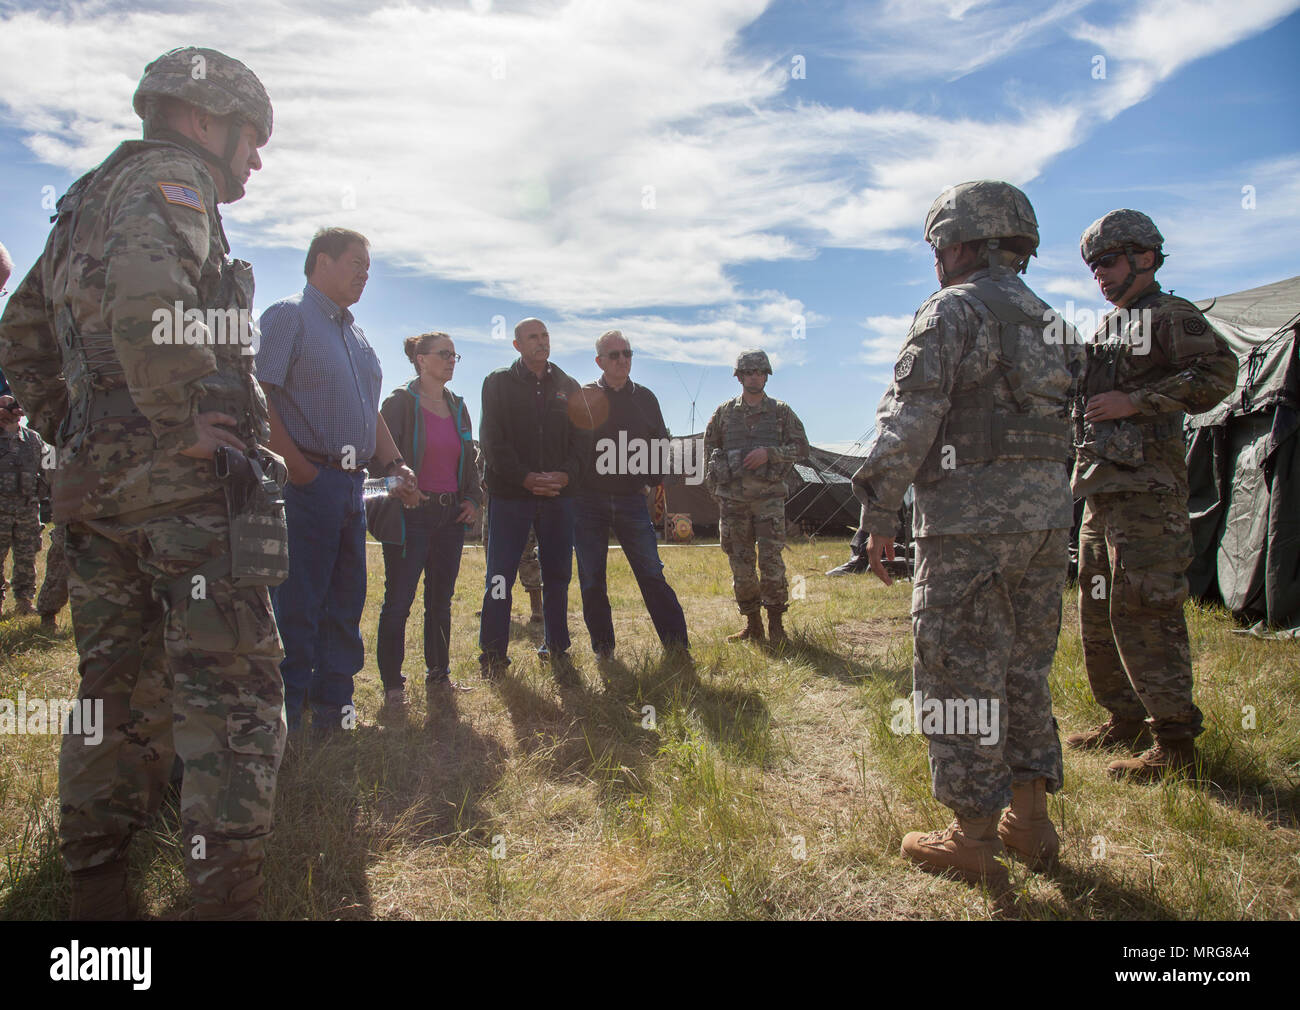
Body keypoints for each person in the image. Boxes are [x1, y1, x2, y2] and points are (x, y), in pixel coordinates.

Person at [0, 47, 286, 920]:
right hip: (184, 498)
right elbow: (148, 298)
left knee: (112, 694)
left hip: (100, 498)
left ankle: (96, 889)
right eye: (252, 137)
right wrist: (175, 421)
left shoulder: (80, 205)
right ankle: (223, 901)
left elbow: (20, 338)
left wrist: (78, 436)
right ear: (203, 119)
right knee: (231, 694)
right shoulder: (175, 180)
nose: (257, 159)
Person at [854, 180, 1082, 889]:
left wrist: (878, 511)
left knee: (959, 673)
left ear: (965, 244)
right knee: (1023, 669)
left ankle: (972, 838)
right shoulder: (1055, 322)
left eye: (939, 246)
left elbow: (910, 420)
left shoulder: (951, 311)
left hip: (968, 530)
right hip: (1046, 528)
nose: (935, 261)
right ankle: (1031, 824)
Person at [1068, 210, 1237, 780]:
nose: (1101, 278)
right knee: (1098, 609)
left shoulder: (1172, 316)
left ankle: (1177, 745)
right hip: (1103, 491)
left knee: (1146, 608)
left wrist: (1138, 402)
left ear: (1144, 257)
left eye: (1108, 263)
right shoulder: (1108, 327)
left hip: (1147, 492)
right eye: (1094, 269)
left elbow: (1218, 375)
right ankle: (1125, 718)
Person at [257, 228, 417, 734]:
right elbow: (259, 393)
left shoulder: (358, 336)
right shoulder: (289, 316)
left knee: (345, 602)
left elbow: (369, 412)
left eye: (368, 267)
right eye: (355, 262)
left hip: (353, 488)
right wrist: (297, 467)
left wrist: (394, 465)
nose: (364, 273)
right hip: (305, 482)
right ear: (320, 261)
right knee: (300, 603)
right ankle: (290, 714)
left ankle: (335, 709)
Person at [372, 332, 481, 709]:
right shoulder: (400, 403)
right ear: (420, 359)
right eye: (444, 354)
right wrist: (401, 488)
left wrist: (471, 499)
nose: (452, 360)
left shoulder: (459, 405)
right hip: (410, 515)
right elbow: (377, 460)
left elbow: (469, 460)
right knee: (398, 602)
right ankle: (392, 686)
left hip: (450, 518)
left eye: (455, 355)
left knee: (441, 601)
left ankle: (439, 675)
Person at [477, 318, 590, 676]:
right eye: (532, 337)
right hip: (511, 496)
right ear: (517, 345)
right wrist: (525, 478)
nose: (541, 342)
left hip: (559, 496)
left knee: (557, 573)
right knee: (500, 576)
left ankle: (557, 646)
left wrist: (566, 474)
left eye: (545, 336)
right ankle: (493, 655)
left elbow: (582, 439)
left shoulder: (568, 385)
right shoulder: (498, 383)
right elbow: (492, 441)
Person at [572, 329, 689, 658]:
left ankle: (677, 646)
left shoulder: (646, 398)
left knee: (651, 572)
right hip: (587, 502)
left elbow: (660, 442)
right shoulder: (582, 396)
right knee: (592, 578)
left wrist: (649, 481)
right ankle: (604, 649)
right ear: (599, 361)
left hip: (630, 500)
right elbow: (569, 444)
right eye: (614, 355)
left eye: (627, 353)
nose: (623, 359)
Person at [703, 349, 808, 646]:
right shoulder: (724, 413)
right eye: (748, 373)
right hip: (734, 504)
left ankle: (776, 625)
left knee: (772, 563)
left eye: (760, 372)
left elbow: (802, 448)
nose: (754, 377)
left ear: (766, 375)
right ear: (739, 377)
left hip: (769, 501)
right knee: (741, 565)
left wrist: (770, 453)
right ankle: (753, 625)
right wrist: (716, 491)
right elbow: (709, 452)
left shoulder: (781, 412)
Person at [0, 395, 46, 616]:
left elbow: (43, 471)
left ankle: (24, 602)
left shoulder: (33, 439)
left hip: (27, 509)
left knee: (26, 557)